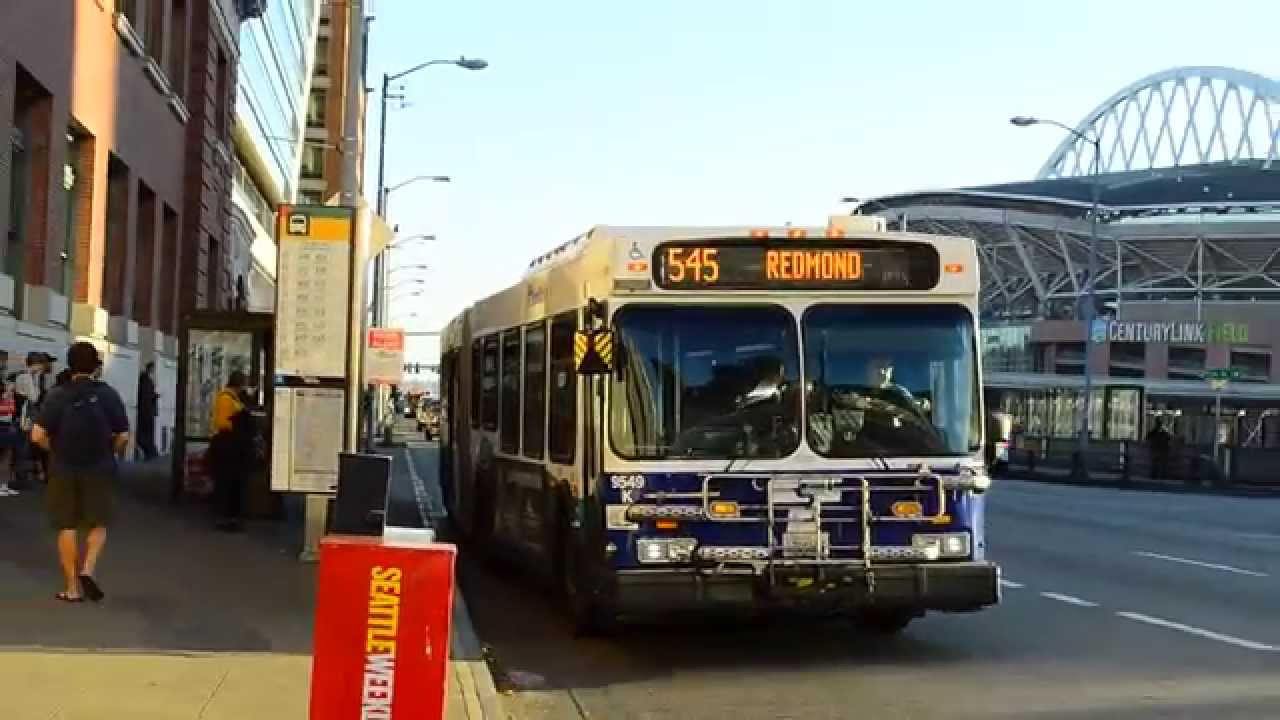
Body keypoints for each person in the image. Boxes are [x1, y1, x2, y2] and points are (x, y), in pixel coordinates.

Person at [32, 342, 130, 603]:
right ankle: (88, 568)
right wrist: (113, 451)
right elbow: (123, 435)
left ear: (69, 365)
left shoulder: (57, 394)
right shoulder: (108, 394)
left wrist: (54, 450)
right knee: (99, 522)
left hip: (64, 466)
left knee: (67, 525)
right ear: (96, 366)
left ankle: (72, 588)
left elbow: (37, 435)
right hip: (99, 466)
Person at [209, 371, 253, 531]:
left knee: (232, 484)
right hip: (226, 448)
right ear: (239, 384)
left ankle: (229, 517)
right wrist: (239, 424)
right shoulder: (225, 399)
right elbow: (222, 423)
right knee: (226, 483)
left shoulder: (233, 398)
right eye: (244, 384)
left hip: (231, 447)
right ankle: (225, 518)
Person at [136, 362, 159, 460]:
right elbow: (146, 396)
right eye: (153, 369)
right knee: (146, 433)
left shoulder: (146, 379)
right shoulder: (146, 380)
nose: (154, 371)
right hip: (146, 412)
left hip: (147, 411)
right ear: (150, 369)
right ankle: (149, 453)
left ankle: (149, 453)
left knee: (147, 433)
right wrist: (155, 395)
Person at [0, 377, 19, 496]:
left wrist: (9, 397)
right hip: (2, 426)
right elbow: (6, 410)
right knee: (4, 457)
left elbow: (11, 411)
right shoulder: (6, 398)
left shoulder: (9, 398)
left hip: (8, 427)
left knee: (8, 457)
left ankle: (4, 485)